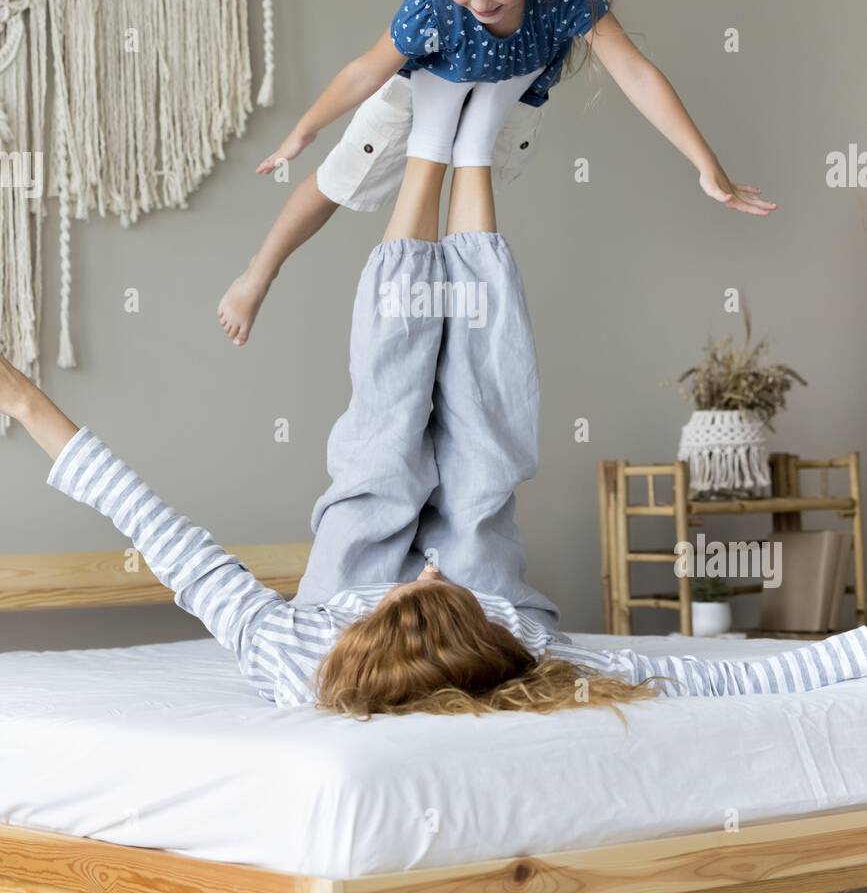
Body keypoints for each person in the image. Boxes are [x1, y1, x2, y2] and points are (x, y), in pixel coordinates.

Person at [7, 158, 860, 722]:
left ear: (366, 622)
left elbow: (160, 533)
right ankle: (473, 157)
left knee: (381, 451)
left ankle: (426, 162)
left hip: (338, 604)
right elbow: (737, 676)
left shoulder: (281, 648)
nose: (425, 559)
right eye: (435, 582)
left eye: (412, 584)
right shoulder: (523, 653)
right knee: (483, 462)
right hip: (485, 616)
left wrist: (23, 399)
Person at [217, 0, 776, 346]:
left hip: (508, 100)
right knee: (340, 179)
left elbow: (635, 73)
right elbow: (366, 69)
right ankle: (259, 271)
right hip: (422, 90)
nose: (478, 2)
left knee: (473, 169)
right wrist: (306, 129)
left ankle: (457, 323)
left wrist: (706, 165)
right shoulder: (431, 8)